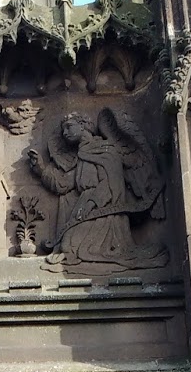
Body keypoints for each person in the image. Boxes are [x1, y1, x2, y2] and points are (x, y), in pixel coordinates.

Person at [27, 110, 164, 268]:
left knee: (75, 247)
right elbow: (64, 184)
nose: (65, 133)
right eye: (63, 129)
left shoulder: (106, 149)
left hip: (104, 210)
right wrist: (42, 170)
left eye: (69, 127)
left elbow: (111, 182)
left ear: (83, 125)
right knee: (68, 245)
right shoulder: (81, 155)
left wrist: (91, 204)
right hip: (84, 206)